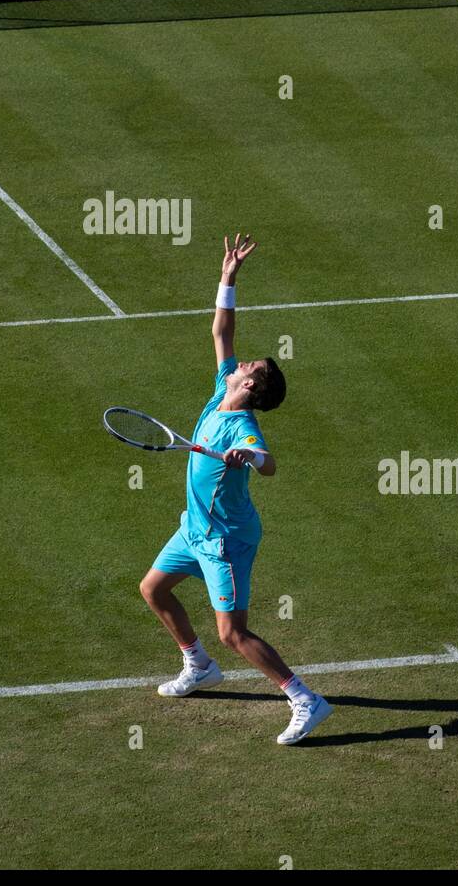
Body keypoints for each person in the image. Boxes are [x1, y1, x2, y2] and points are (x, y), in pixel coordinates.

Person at [139, 232, 333, 745]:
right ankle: (198, 666)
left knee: (234, 632)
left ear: (251, 387)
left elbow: (268, 464)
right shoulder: (220, 389)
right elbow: (221, 332)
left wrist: (250, 455)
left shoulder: (242, 424)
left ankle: (304, 699)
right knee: (153, 589)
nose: (244, 362)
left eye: (253, 367)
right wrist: (227, 278)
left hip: (226, 539)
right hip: (194, 528)